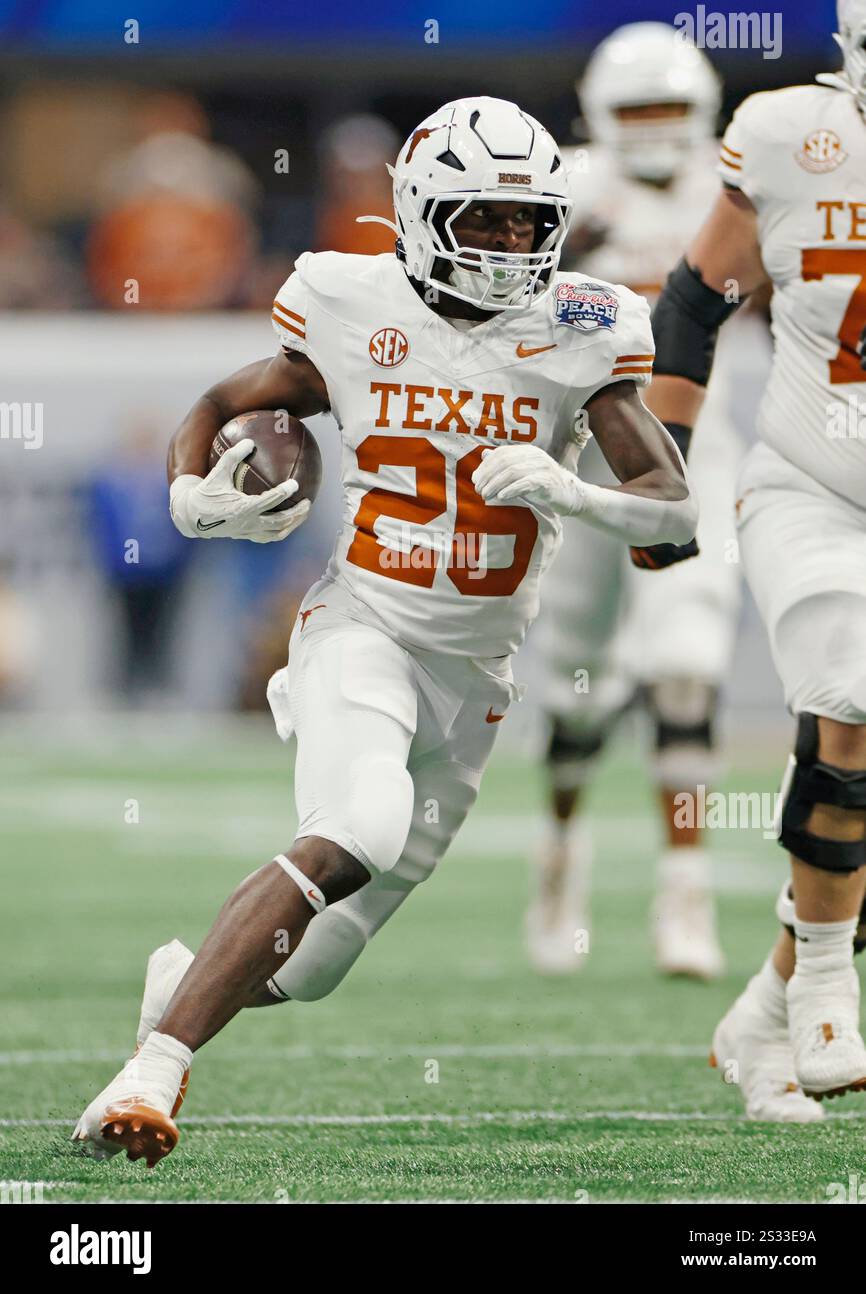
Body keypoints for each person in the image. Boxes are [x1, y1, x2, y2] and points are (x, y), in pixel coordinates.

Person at [72, 96, 696, 1167]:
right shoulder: (347, 299)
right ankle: (152, 1071)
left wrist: (570, 490)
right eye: (481, 219)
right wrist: (187, 490)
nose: (508, 245)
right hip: (360, 621)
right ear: (418, 214)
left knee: (309, 967)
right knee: (359, 819)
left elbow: (672, 512)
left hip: (476, 668)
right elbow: (229, 399)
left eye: (524, 222)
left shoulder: (584, 324)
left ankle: (183, 980)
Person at [644, 0, 866, 1121]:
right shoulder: (790, 136)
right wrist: (663, 471)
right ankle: (826, 983)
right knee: (848, 697)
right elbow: (692, 299)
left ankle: (759, 1015)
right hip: (810, 480)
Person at [527, 24, 752, 980]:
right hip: (585, 458)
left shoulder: (740, 184)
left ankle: (684, 892)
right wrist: (556, 251)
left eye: (669, 111)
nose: (656, 132)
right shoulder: (560, 187)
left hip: (704, 450)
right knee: (576, 682)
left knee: (687, 663)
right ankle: (563, 855)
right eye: (639, 113)